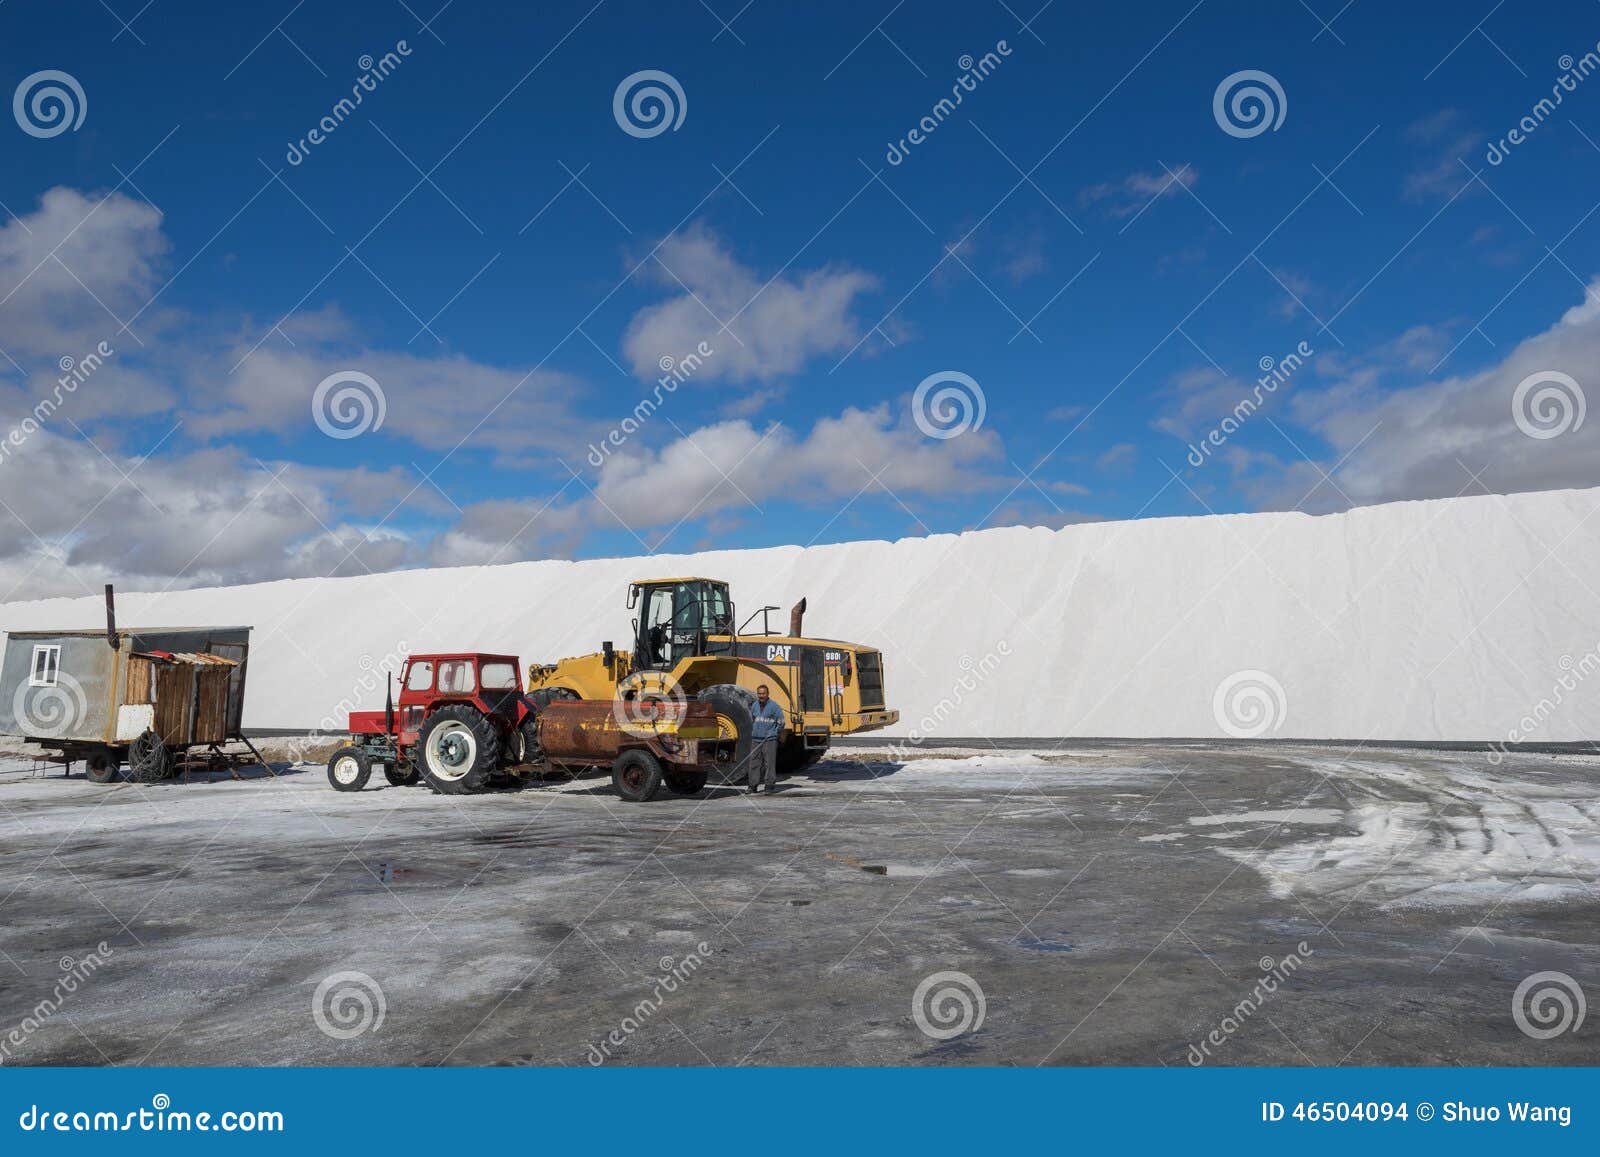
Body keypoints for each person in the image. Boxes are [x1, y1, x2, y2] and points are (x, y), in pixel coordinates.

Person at [748, 684, 785, 794]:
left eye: (763, 693)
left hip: (769, 740)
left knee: (769, 764)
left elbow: (781, 722)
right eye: (759, 693)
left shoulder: (774, 707)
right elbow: (752, 719)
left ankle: (769, 786)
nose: (761, 696)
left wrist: (774, 732)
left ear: (767, 694)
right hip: (756, 739)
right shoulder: (754, 705)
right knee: (753, 763)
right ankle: (752, 786)